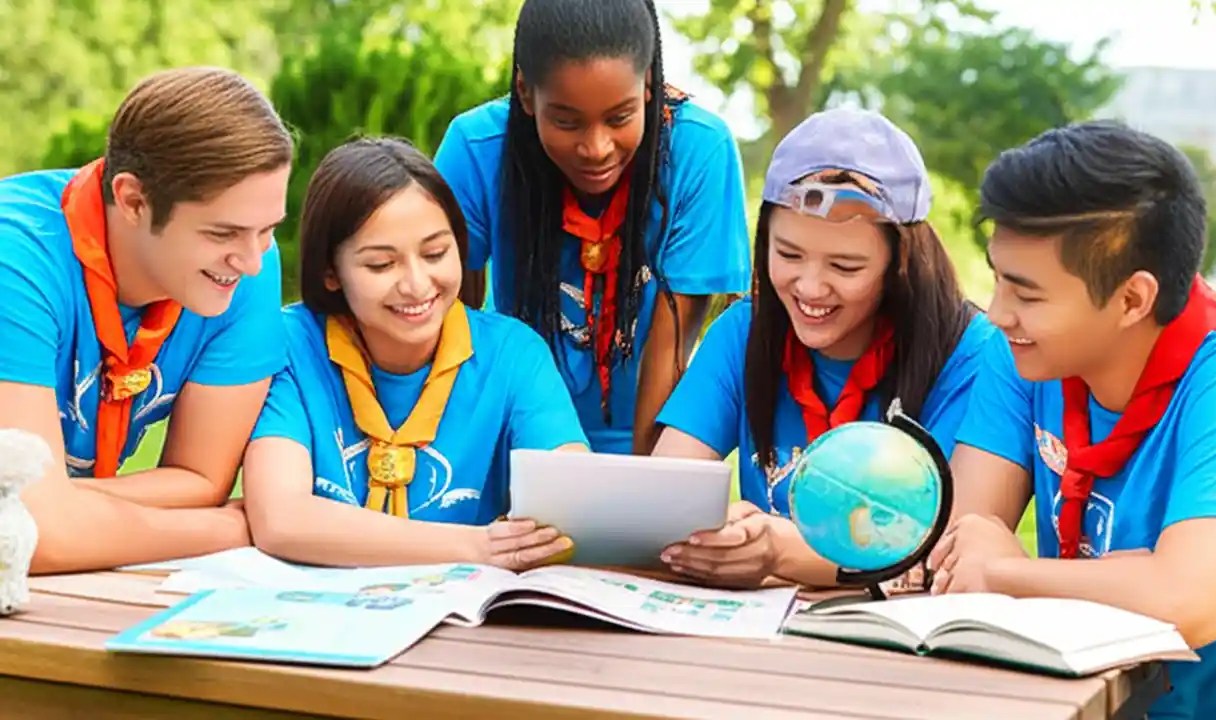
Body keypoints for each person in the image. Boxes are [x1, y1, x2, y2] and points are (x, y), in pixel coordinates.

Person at [931, 121, 1216, 719]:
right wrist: (1129, 577)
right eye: (997, 280)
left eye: (1027, 295)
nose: (997, 313)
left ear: (1132, 299)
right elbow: (960, 543)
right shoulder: (1021, 356)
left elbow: (1190, 602)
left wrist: (1011, 571)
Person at [651, 108, 998, 589]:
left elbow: (938, 553)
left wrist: (778, 552)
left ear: (900, 261)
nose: (810, 288)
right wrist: (724, 541)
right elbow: (663, 494)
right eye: (788, 254)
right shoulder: (742, 332)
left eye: (845, 267)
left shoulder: (970, 354)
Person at [242, 137, 587, 570]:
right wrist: (475, 547)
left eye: (435, 253)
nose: (417, 284)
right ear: (330, 271)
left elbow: (573, 505)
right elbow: (280, 519)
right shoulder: (291, 346)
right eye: (381, 264)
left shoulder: (513, 354)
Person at [0, 67, 292, 574]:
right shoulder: (16, 258)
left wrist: (59, 504)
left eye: (267, 229)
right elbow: (29, 536)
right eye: (222, 233)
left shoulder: (246, 270)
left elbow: (199, 480)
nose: (251, 261)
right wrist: (236, 530)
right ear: (133, 200)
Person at [434, 0, 752, 456]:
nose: (596, 148)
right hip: (514, 437)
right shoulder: (476, 149)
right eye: (566, 121)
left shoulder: (699, 151)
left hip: (648, 440)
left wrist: (643, 489)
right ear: (525, 93)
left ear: (648, 83)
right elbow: (451, 332)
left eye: (619, 117)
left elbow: (671, 350)